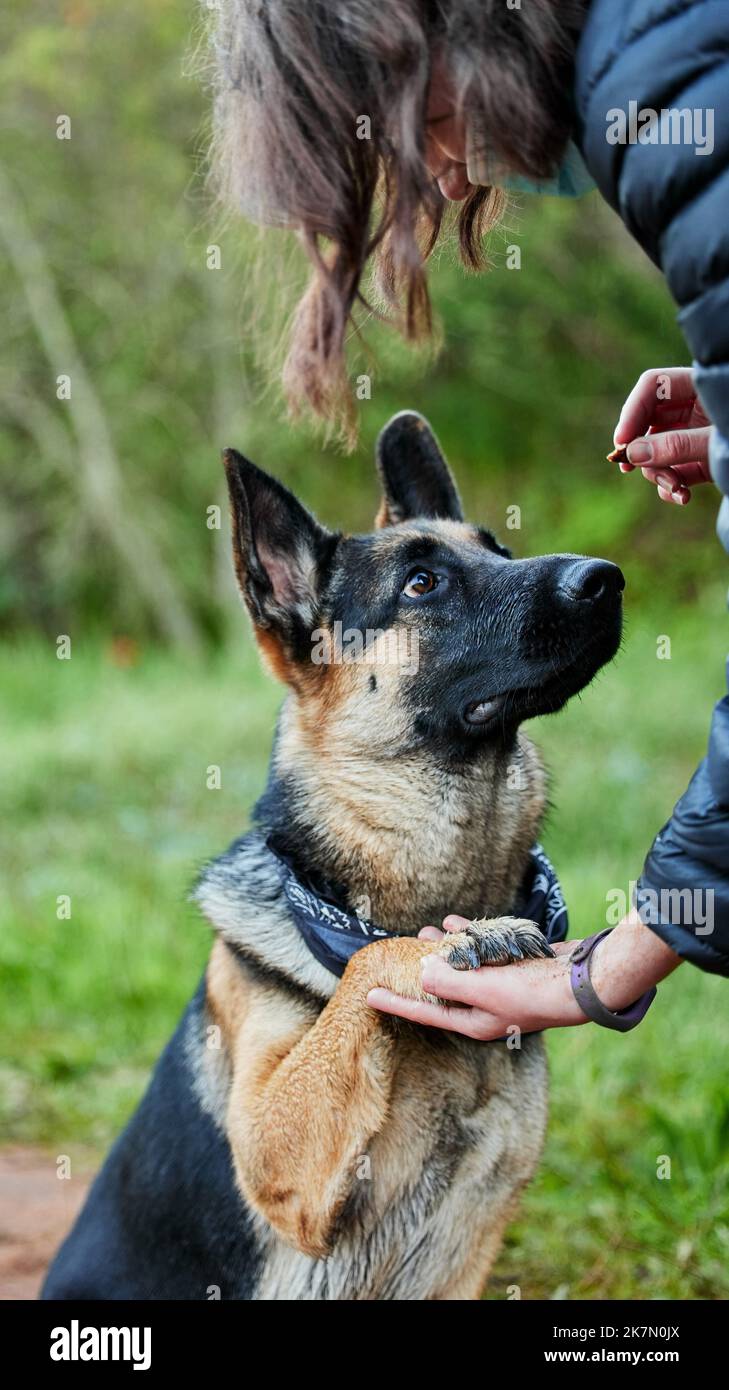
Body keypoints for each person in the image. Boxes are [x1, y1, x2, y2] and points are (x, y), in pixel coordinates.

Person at [204, 0, 729, 1034]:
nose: (433, 184)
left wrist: (621, 959)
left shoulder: (661, 87)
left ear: (422, 41)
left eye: (395, 138)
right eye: (428, 584)